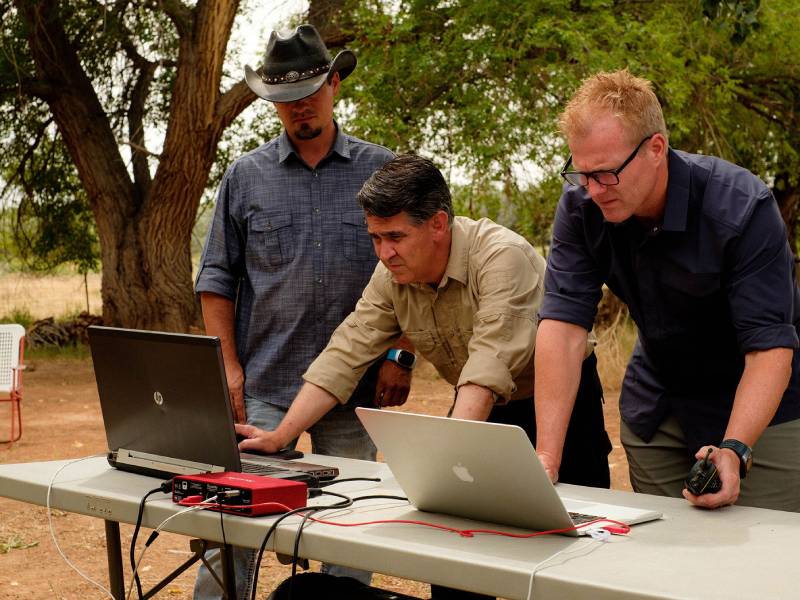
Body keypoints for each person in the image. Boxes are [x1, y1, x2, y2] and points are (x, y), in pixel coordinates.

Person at [237, 154, 612, 600]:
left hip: (556, 399)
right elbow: (346, 351)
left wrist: (448, 461)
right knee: (454, 550)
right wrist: (282, 435)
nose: (384, 252)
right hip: (475, 404)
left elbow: (487, 367)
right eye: (375, 238)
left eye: (395, 237)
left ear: (438, 223)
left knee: (575, 557)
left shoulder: (500, 256)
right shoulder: (391, 274)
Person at [194, 24, 412, 599]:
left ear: (335, 83)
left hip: (357, 391)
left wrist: (400, 355)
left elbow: (414, 274)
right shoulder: (245, 176)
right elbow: (216, 281)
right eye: (285, 101)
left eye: (310, 93)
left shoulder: (384, 171)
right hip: (266, 383)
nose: (298, 109)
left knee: (348, 534)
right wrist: (229, 369)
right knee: (233, 526)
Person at [534, 69, 800, 513]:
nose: (594, 191)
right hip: (659, 400)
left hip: (762, 404)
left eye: (606, 174)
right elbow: (562, 329)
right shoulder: (581, 208)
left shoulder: (742, 207)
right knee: (665, 554)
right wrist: (545, 457)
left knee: (766, 558)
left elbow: (769, 348)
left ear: (655, 149)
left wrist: (734, 449)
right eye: (581, 174)